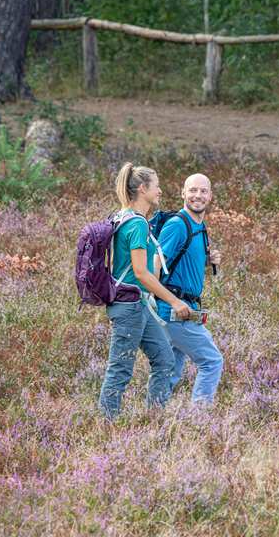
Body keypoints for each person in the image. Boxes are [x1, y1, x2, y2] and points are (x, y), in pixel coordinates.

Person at [99, 162, 190, 419]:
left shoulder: (122, 217)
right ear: (142, 189)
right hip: (129, 307)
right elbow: (141, 272)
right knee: (120, 369)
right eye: (156, 186)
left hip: (137, 305)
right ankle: (106, 425)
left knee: (165, 359)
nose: (160, 191)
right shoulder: (137, 224)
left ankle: (154, 420)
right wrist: (174, 301)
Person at [155, 173, 223, 404]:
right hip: (174, 309)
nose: (198, 195)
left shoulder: (200, 227)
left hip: (186, 307)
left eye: (203, 191)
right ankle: (199, 419)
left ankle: (153, 415)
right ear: (183, 193)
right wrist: (168, 302)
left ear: (210, 196)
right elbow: (156, 265)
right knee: (212, 361)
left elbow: (180, 262)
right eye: (193, 190)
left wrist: (208, 261)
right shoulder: (177, 225)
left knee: (170, 370)